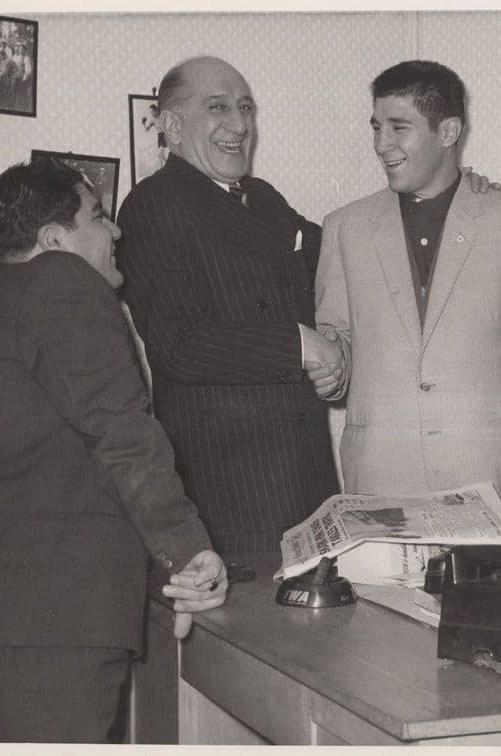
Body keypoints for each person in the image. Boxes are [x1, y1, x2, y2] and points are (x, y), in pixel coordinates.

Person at [0, 159, 228, 742]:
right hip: (47, 629)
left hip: (1, 625)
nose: (116, 231)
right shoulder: (62, 283)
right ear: (54, 241)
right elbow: (123, 436)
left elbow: (62, 469)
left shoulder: (2, 298)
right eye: (98, 216)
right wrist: (191, 553)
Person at [116, 57, 344, 576]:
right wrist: (299, 345)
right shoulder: (151, 205)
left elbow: (339, 253)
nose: (239, 125)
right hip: (235, 500)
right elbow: (179, 345)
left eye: (245, 108)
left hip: (309, 489)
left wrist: (442, 193)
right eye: (218, 108)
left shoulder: (263, 198)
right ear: (172, 126)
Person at [314, 60, 501, 518]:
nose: (381, 144)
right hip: (380, 479)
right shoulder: (344, 227)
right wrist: (328, 370)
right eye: (376, 127)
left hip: (486, 477)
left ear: (448, 132)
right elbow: (336, 347)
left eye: (399, 128)